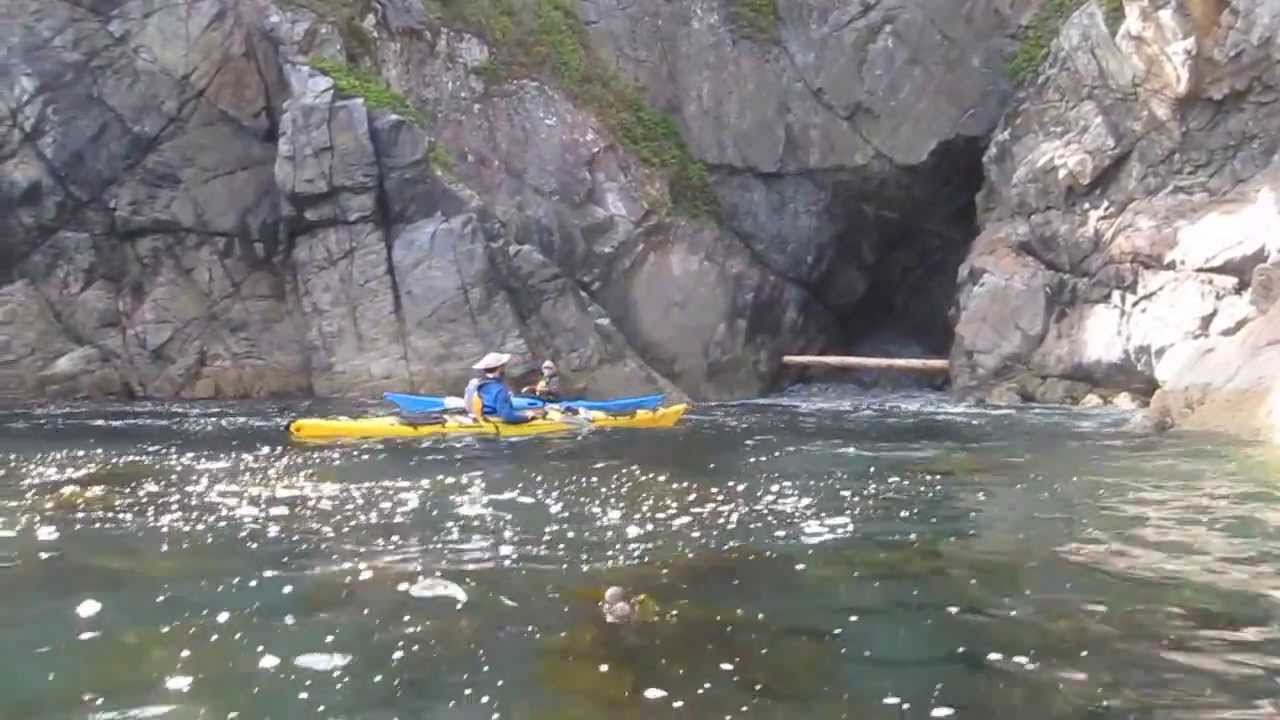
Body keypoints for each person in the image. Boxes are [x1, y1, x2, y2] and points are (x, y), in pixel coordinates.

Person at [463, 352, 545, 423]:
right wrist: (529, 417)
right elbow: (508, 417)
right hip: (495, 420)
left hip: (483, 416)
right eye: (503, 366)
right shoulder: (499, 389)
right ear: (500, 368)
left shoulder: (479, 383)